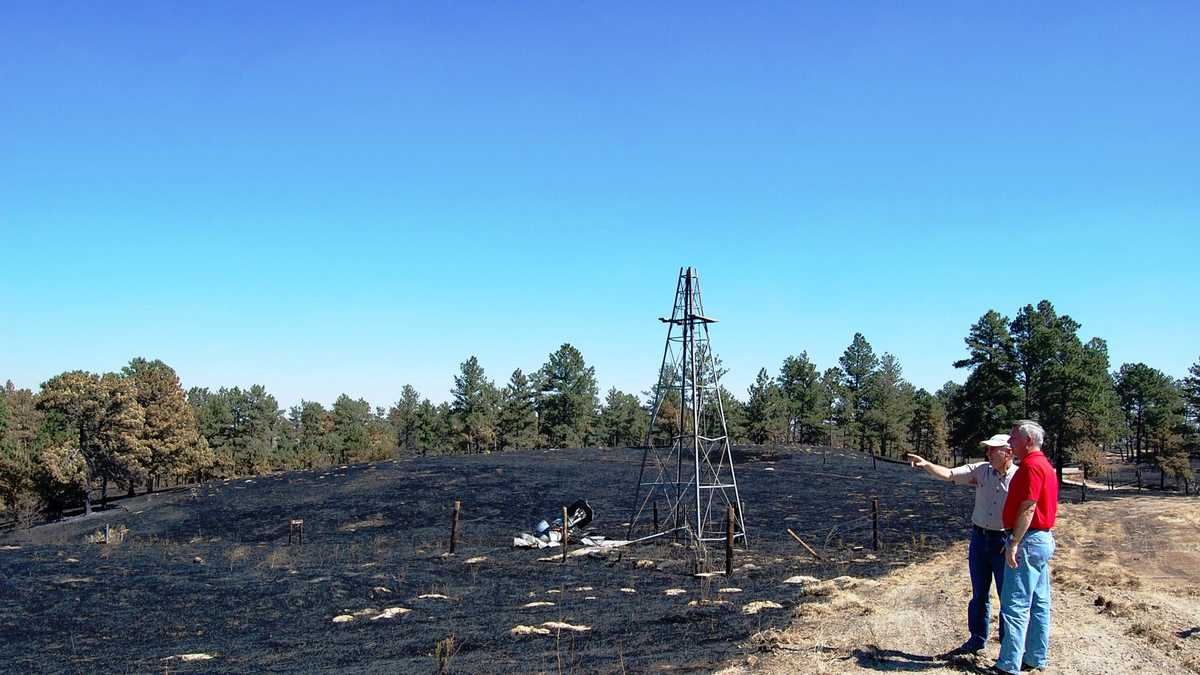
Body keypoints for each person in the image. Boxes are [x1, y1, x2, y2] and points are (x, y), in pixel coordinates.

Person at [906, 433, 1016, 654]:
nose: (988, 453)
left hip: (1004, 541)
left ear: (1008, 453)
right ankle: (977, 639)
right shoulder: (981, 470)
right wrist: (926, 464)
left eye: (993, 449)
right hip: (979, 538)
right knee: (979, 594)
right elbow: (948, 474)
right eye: (988, 449)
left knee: (1008, 597)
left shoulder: (1019, 477)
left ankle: (1008, 648)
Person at [994, 420, 1058, 675]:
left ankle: (1008, 665)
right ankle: (1034, 657)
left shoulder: (1031, 467)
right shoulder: (1045, 465)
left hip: (1028, 540)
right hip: (1042, 539)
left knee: (1015, 605)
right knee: (1040, 602)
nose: (1010, 443)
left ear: (1028, 441)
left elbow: (1028, 507)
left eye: (1013, 438)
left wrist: (1014, 542)